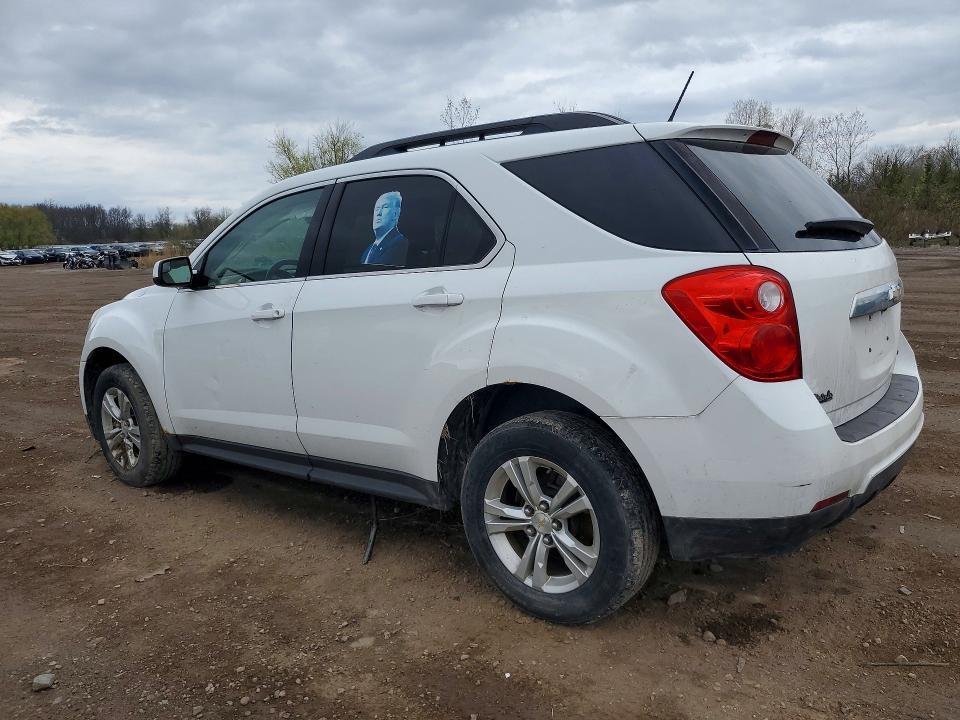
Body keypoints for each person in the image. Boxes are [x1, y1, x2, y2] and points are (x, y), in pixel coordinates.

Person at [360, 191, 407, 266]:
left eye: (385, 207)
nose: (378, 213)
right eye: (377, 208)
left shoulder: (400, 243)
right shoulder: (368, 250)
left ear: (395, 214)